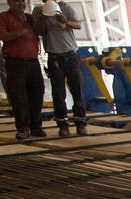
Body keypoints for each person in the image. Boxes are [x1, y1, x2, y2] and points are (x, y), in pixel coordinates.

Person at [0, 0, 45, 139]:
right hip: (15, 62)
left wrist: (43, 17)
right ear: (9, 2)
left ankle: (36, 127)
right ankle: (23, 128)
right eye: (16, 1)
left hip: (33, 62)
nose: (20, 4)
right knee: (19, 96)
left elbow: (40, 31)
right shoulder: (3, 17)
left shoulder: (30, 18)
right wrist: (19, 33)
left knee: (37, 94)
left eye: (22, 1)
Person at [33, 0, 86, 135]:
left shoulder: (66, 8)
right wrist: (43, 18)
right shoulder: (38, 11)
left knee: (77, 89)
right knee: (58, 92)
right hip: (54, 56)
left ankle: (80, 122)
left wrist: (65, 21)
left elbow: (78, 25)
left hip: (70, 54)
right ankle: (62, 124)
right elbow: (38, 31)